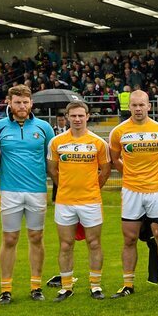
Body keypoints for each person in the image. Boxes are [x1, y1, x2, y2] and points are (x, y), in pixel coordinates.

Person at [108, 89, 158, 298]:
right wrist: (130, 175)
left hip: (156, 191)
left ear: (149, 106)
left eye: (142, 105)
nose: (138, 109)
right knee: (129, 238)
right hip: (131, 191)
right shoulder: (119, 131)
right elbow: (114, 159)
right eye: (134, 105)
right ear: (128, 107)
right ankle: (128, 284)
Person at [0, 85, 55, 304]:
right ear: (9, 102)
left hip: (37, 191)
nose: (22, 106)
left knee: (36, 237)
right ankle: (6, 288)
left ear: (31, 103)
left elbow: (51, 160)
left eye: (25, 102)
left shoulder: (44, 127)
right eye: (17, 102)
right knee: (10, 238)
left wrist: (57, 186)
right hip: (9, 191)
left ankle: (36, 285)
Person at [47, 102, 111, 301]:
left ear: (87, 116)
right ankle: (66, 287)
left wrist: (91, 188)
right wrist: (65, 186)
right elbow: (52, 170)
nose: (77, 119)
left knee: (94, 243)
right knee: (65, 245)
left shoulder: (98, 142)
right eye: (73, 115)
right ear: (66, 117)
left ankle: (95, 286)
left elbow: (106, 171)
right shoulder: (56, 142)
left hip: (90, 201)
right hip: (65, 202)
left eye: (80, 115)